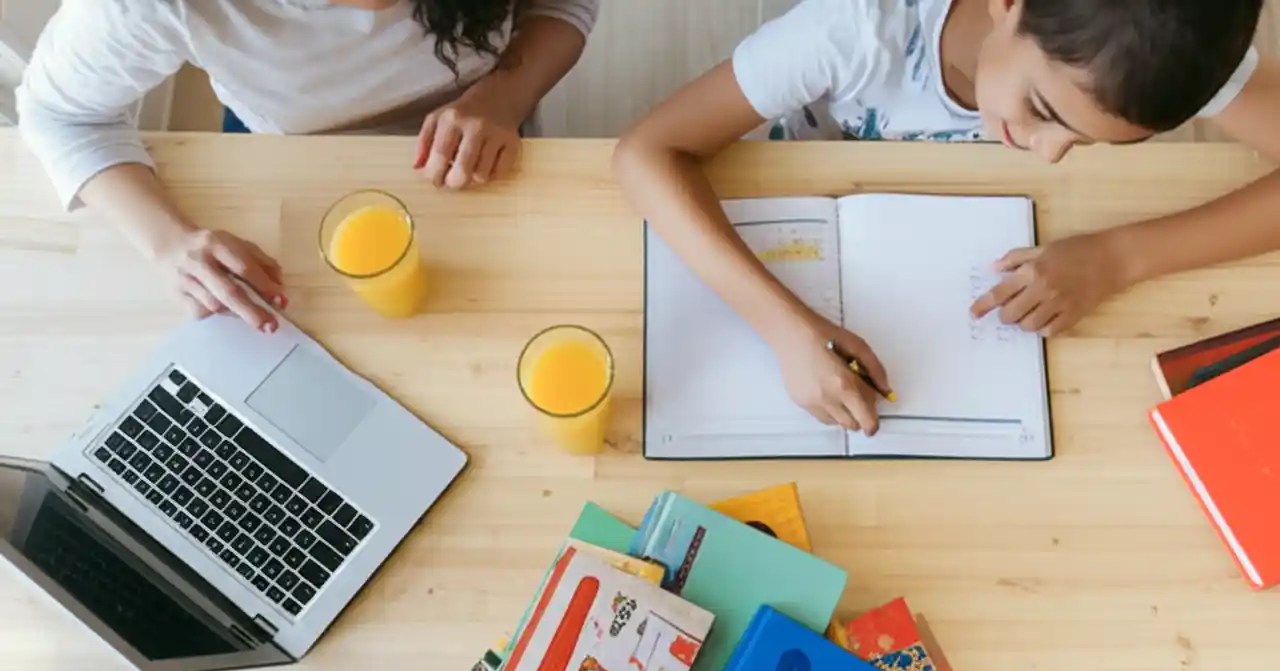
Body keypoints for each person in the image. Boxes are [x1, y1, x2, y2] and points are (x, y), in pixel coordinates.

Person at [613, 0, 1274, 435]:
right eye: (1045, 114)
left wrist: (1120, 257)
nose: (1049, 157)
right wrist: (783, 329)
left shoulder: (1155, 46)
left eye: (1088, 142)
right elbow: (646, 152)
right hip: (814, 182)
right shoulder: (854, 29)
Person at [17, 0, 598, 332]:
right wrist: (168, 241)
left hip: (490, 125)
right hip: (299, 179)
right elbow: (56, 112)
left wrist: (505, 96)